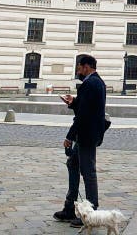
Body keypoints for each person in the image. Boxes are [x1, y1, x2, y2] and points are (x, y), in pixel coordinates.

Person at [54, 54, 107, 228]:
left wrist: (69, 136)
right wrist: (74, 101)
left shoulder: (89, 84)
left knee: (89, 173)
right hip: (89, 133)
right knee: (73, 164)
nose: (78, 71)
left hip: (86, 134)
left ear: (86, 67)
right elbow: (87, 107)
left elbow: (84, 115)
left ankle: (90, 211)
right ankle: (70, 207)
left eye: (79, 68)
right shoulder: (97, 82)